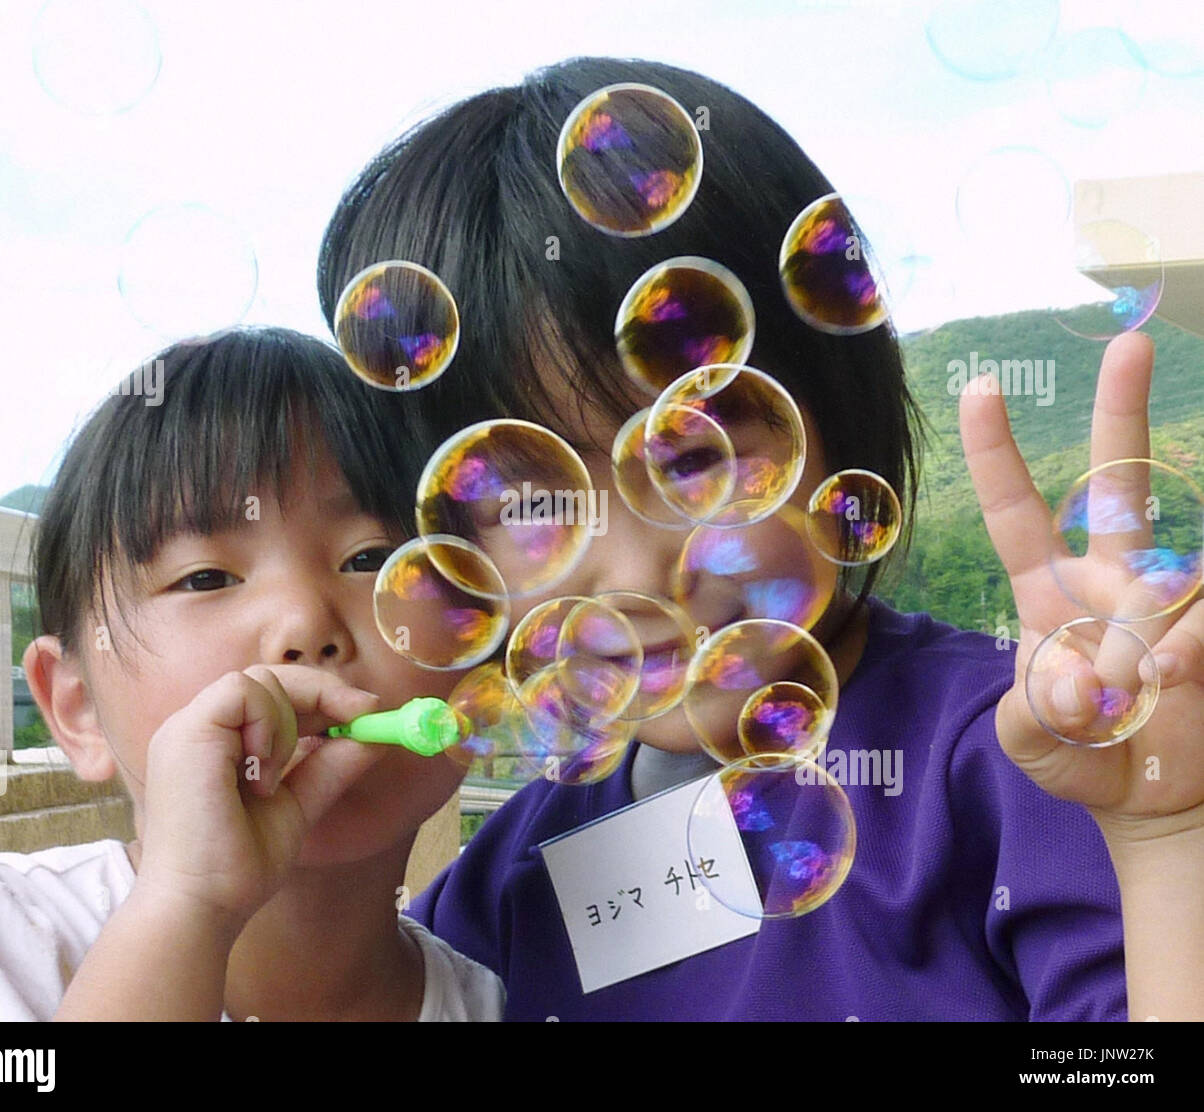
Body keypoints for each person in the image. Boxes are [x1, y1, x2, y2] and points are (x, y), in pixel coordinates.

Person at [315, 56, 1204, 1020]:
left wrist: (1163, 841)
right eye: (532, 503)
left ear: (829, 415)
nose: (637, 572)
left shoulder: (1034, 753)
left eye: (693, 458)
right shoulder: (515, 881)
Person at [0, 328, 505, 1022]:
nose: (303, 623)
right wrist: (187, 909)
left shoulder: (504, 1003)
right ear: (76, 708)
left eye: (371, 559)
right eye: (206, 577)